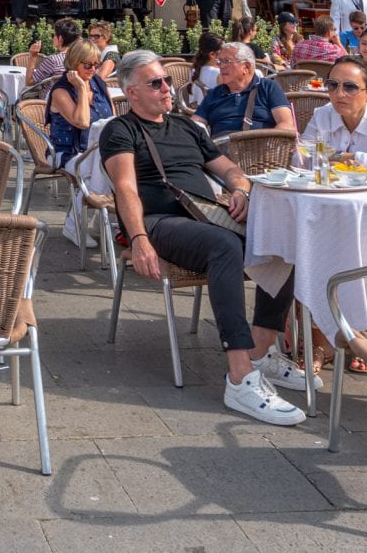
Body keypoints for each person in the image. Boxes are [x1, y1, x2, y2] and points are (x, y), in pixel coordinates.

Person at [101, 49, 306, 425]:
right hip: (160, 221)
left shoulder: (186, 127)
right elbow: (126, 188)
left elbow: (228, 169)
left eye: (167, 80)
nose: (167, 88)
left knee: (280, 239)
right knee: (225, 246)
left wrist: (240, 190)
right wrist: (140, 238)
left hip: (203, 216)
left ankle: (260, 349)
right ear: (131, 92)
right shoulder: (121, 130)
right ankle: (240, 377)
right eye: (156, 83)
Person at [196, 43, 295, 137]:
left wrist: (269, 147)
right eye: (220, 62)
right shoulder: (215, 94)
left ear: (246, 67)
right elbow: (195, 124)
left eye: (227, 61)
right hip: (221, 150)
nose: (221, 66)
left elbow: (286, 124)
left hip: (260, 149)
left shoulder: (268, 87)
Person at [46, 39, 113, 166]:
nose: (93, 69)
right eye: (88, 65)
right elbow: (83, 123)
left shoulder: (99, 83)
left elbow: (112, 120)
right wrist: (82, 88)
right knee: (102, 169)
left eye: (96, 65)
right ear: (74, 62)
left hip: (99, 151)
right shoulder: (60, 91)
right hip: (68, 153)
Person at [24, 18, 84, 94]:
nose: (52, 38)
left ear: (60, 39)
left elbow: (29, 82)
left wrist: (33, 56)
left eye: (54, 35)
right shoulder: (82, 58)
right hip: (76, 97)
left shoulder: (53, 60)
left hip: (50, 102)